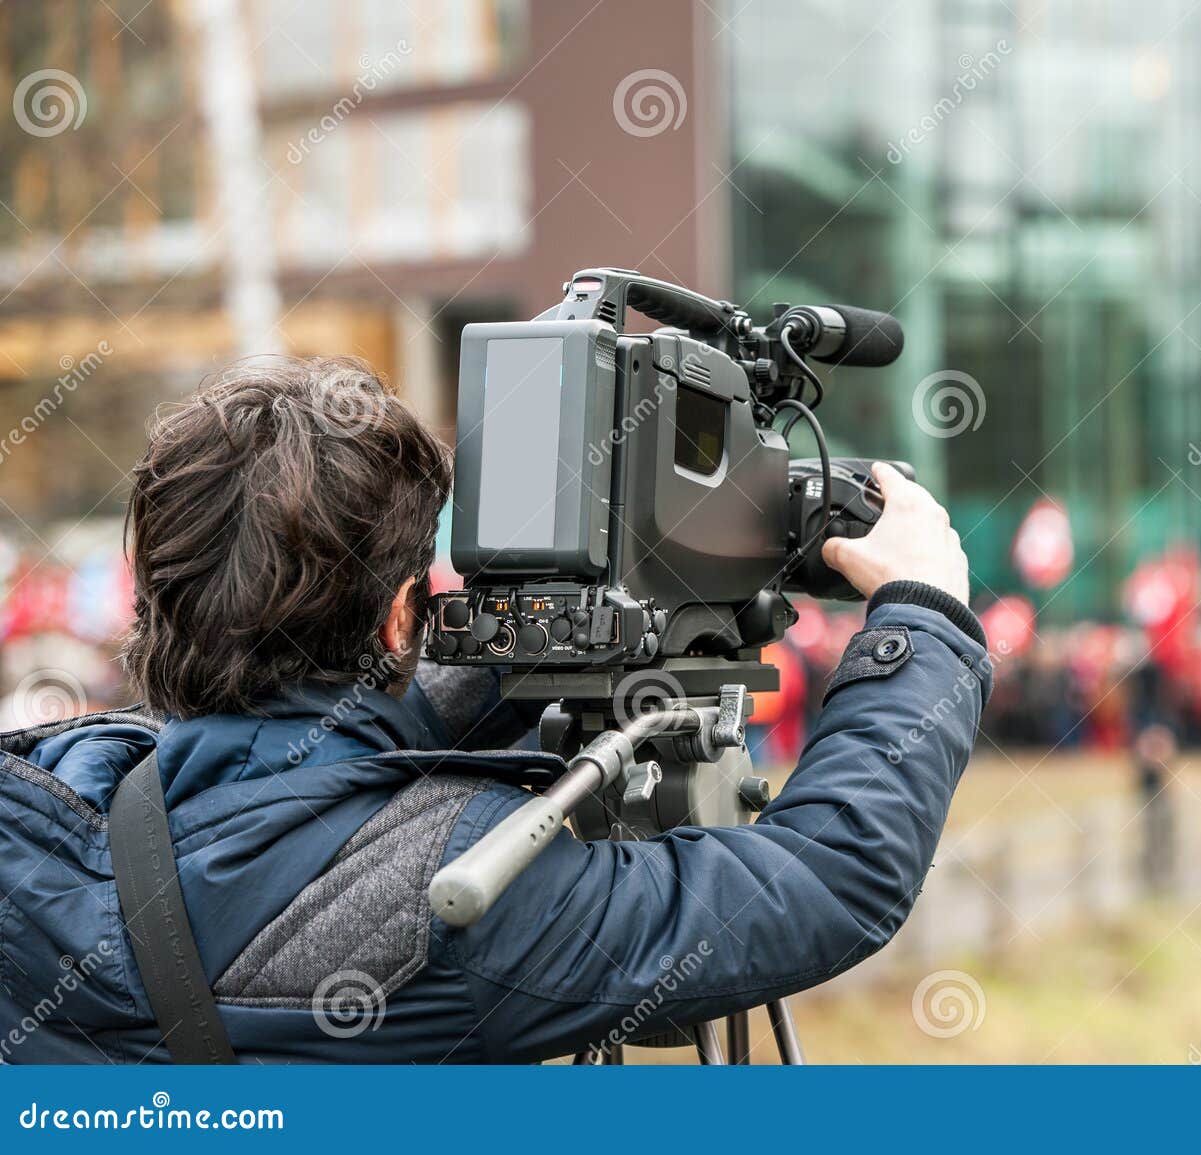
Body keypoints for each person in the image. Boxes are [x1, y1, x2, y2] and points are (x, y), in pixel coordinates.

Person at [0, 357, 988, 1063]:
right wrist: (927, 616)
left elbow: (310, 772)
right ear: (399, 620)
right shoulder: (458, 898)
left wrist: (575, 635)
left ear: (154, 597)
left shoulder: (43, 800)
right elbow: (826, 880)